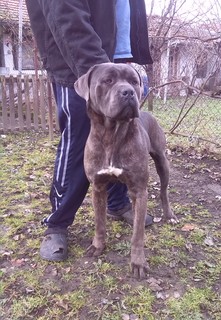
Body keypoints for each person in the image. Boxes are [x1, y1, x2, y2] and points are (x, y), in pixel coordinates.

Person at [26, 0, 153, 262]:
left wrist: (132, 64)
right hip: (79, 61)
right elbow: (64, 13)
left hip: (117, 57)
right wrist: (97, 69)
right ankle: (58, 223)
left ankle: (117, 205)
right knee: (76, 141)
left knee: (123, 140)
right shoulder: (91, 72)